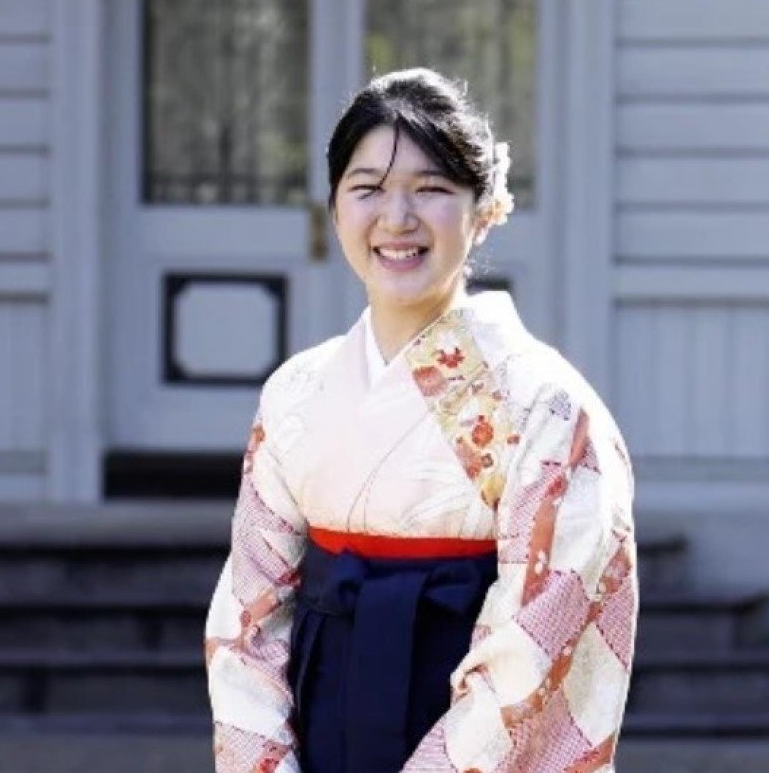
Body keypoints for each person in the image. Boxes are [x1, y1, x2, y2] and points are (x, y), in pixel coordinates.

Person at [205, 68, 638, 773]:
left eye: (430, 189)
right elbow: (248, 622)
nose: (397, 218)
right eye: (367, 188)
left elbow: (537, 640)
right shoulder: (296, 395)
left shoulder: (547, 406)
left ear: (484, 208)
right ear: (334, 207)